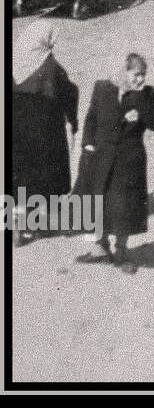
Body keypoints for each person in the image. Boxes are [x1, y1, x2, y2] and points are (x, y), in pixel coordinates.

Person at [71, 53, 154, 273]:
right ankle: (101, 248)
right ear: (124, 71)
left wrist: (139, 97)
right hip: (100, 157)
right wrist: (87, 144)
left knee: (124, 207)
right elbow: (91, 118)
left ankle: (121, 251)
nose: (141, 79)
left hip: (128, 161)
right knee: (98, 202)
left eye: (143, 74)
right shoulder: (102, 88)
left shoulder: (149, 94)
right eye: (136, 74)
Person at [11, 22, 79, 245]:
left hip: (17, 130)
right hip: (45, 131)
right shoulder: (50, 67)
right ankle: (40, 223)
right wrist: (73, 121)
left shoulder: (15, 61)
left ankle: (18, 226)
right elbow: (67, 92)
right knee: (46, 176)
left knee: (21, 175)